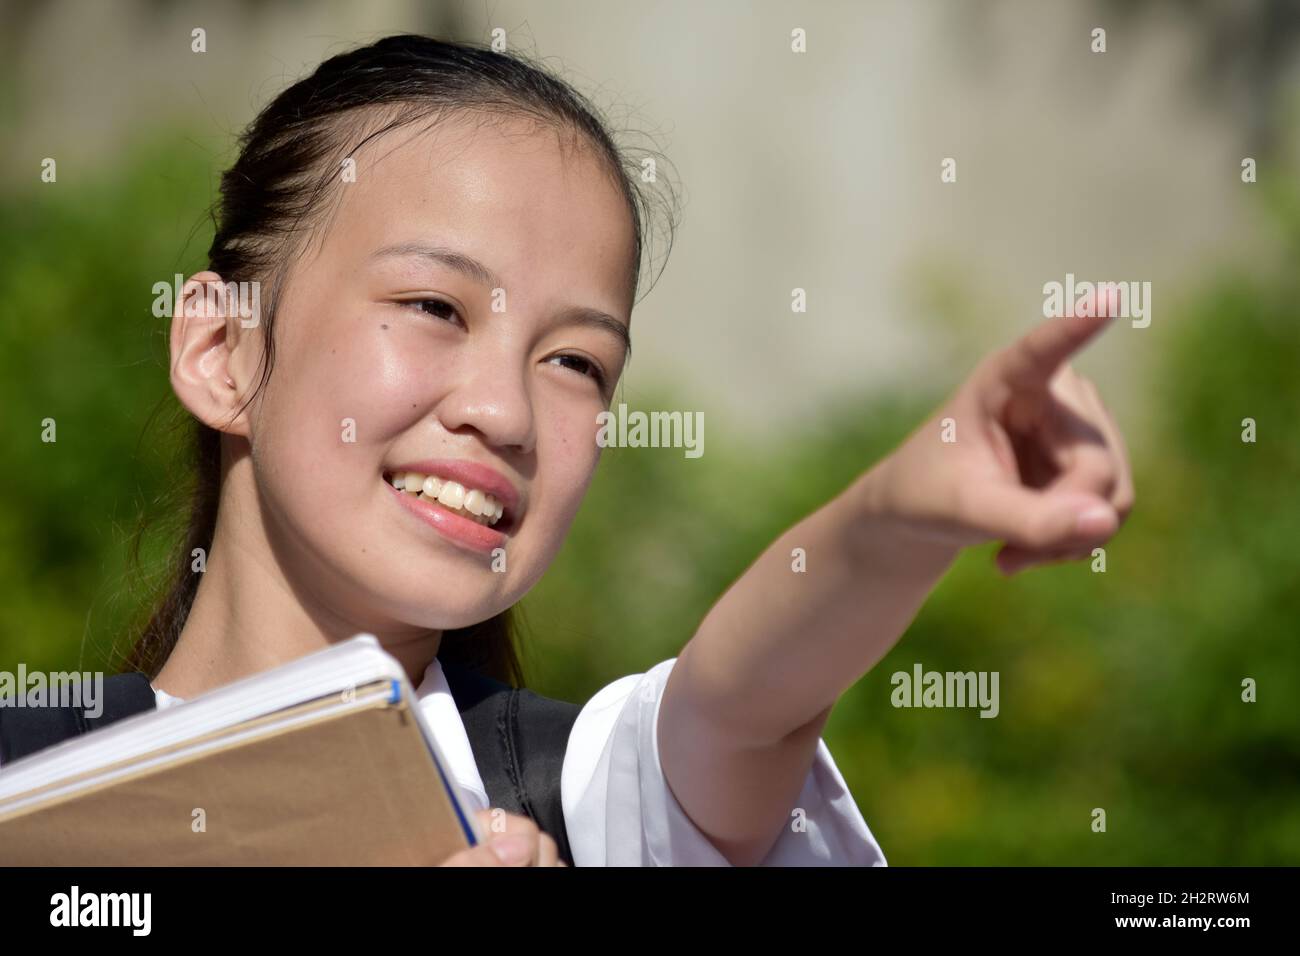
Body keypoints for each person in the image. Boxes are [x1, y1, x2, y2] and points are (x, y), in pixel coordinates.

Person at [48, 35, 1139, 866]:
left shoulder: (579, 796)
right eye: (435, 303)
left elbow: (747, 700)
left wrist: (903, 511)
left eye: (575, 362)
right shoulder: (35, 778)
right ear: (220, 347)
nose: (505, 411)